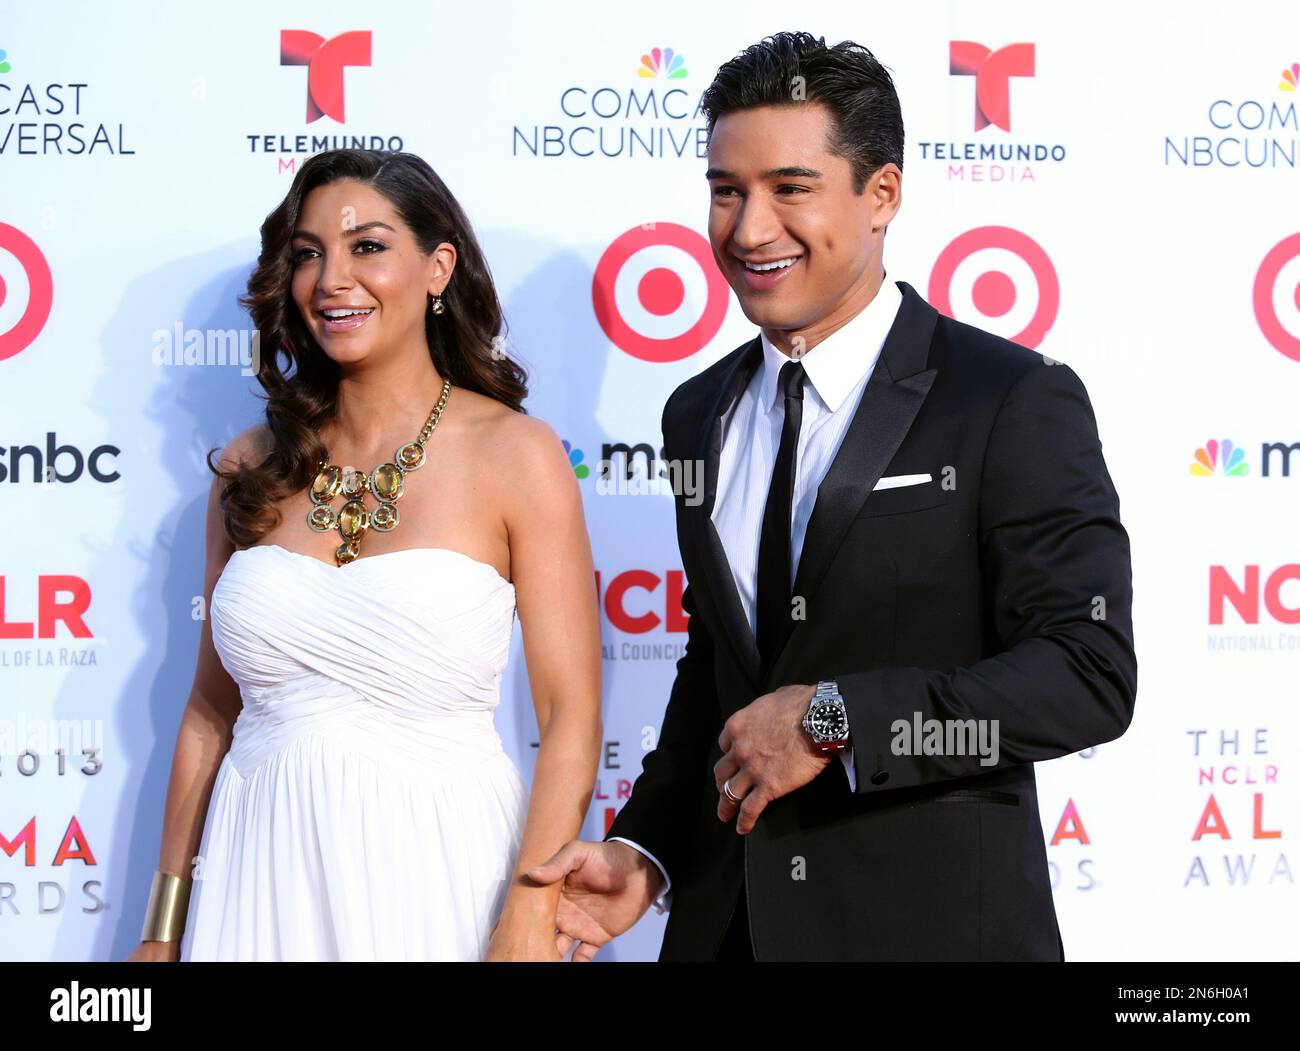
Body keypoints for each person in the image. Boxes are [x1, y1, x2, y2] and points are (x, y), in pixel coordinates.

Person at [530, 32, 1137, 961]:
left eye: (790, 188)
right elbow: (718, 674)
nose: (749, 228)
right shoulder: (697, 411)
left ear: (882, 194)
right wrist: (647, 849)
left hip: (929, 933)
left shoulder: (1007, 398)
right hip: (725, 930)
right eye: (726, 189)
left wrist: (836, 719)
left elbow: (1087, 671)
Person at [128, 149, 601, 961]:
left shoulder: (517, 454)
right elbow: (211, 712)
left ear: (437, 267)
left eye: (368, 247)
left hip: (446, 873)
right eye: (308, 253)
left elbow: (569, 719)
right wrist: (161, 930)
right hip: (259, 883)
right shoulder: (249, 468)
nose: (332, 279)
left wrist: (530, 911)